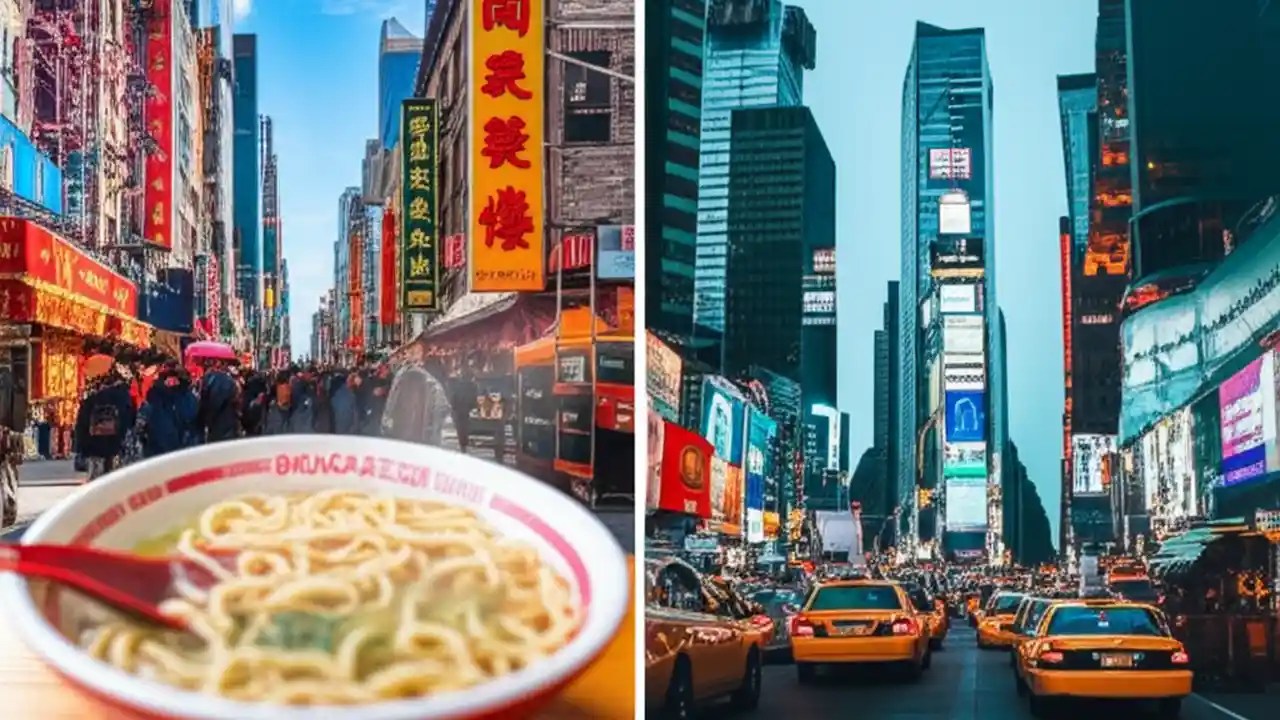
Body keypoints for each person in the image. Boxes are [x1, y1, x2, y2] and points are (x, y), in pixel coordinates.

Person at [74, 368, 135, 480]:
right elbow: (129, 417)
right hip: (115, 437)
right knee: (111, 462)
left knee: (96, 466)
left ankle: (96, 479)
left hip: (94, 439)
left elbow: (81, 424)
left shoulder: (91, 400)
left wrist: (81, 447)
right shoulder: (123, 397)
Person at [139, 368, 199, 458]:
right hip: (165, 450)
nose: (172, 383)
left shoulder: (186, 397)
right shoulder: (154, 398)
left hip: (173, 449)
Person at [197, 361, 240, 443]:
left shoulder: (208, 380)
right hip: (229, 424)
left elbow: (204, 404)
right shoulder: (230, 381)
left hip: (214, 425)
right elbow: (236, 401)